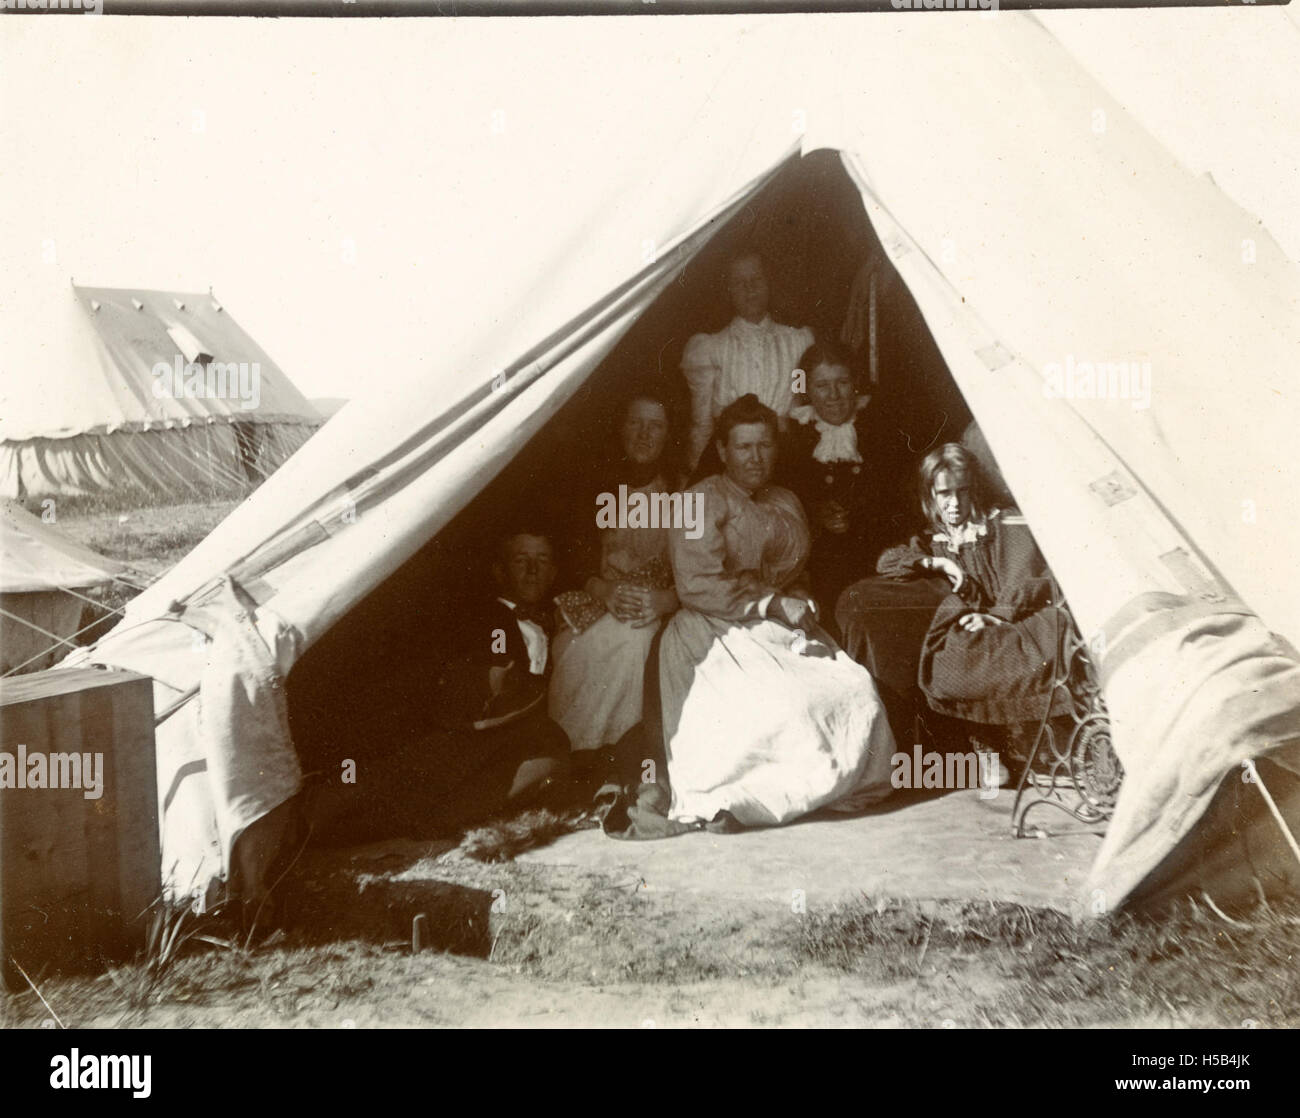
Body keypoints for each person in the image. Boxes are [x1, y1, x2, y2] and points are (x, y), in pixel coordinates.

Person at [656, 393, 896, 827]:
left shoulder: (786, 499)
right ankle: (757, 798)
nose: (755, 457)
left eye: (764, 446)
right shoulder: (699, 499)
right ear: (723, 450)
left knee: (857, 692)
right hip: (715, 629)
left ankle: (828, 788)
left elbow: (794, 571)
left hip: (779, 625)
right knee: (790, 709)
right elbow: (695, 584)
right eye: (744, 447)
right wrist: (770, 602)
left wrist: (800, 596)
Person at [875, 443, 1072, 779]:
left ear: (975, 489)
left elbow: (1024, 578)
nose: (954, 503)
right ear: (931, 495)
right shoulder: (937, 538)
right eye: (944, 493)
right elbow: (887, 562)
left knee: (1006, 651)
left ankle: (1033, 746)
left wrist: (998, 616)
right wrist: (935, 562)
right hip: (979, 619)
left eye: (963, 491)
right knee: (951, 655)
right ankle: (986, 743)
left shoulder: (1003, 523)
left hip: (1022, 615)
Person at [548, 391, 682, 756]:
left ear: (669, 434)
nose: (644, 434)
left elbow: (697, 566)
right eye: (635, 423)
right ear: (621, 427)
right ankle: (571, 752)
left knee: (637, 642)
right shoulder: (593, 483)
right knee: (576, 647)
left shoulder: (681, 490)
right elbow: (572, 555)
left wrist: (664, 600)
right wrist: (602, 589)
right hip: (597, 599)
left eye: (655, 426)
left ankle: (621, 756)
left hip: (657, 606)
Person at [780, 339, 905, 615]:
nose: (833, 395)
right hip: (816, 566)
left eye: (842, 382)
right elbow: (785, 508)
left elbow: (899, 502)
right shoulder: (795, 439)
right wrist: (818, 515)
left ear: (855, 383)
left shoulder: (880, 430)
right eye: (821, 386)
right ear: (808, 390)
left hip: (878, 558)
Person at [681, 250, 814, 472]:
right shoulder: (711, 348)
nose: (749, 288)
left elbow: (799, 403)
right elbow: (702, 422)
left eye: (756, 279)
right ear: (729, 290)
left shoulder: (797, 342)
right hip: (731, 466)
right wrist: (694, 472)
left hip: (785, 459)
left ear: (769, 283)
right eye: (739, 282)